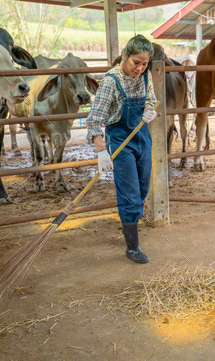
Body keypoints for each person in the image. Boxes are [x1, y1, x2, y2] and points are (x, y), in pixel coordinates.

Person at [86, 35, 157, 264]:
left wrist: (149, 109)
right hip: (120, 140)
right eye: (136, 62)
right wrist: (101, 150)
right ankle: (132, 247)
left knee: (143, 188)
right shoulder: (110, 81)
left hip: (142, 137)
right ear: (125, 56)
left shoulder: (145, 76)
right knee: (130, 194)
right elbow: (95, 118)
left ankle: (130, 229)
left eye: (145, 63)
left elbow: (151, 99)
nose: (140, 68)